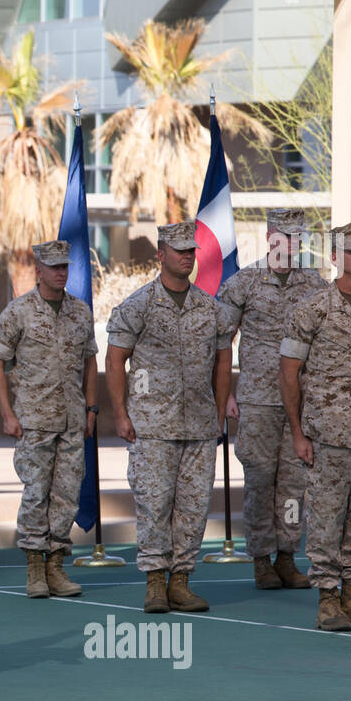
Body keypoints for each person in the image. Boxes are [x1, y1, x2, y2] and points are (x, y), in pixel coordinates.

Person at [106, 221, 231, 613]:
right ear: (160, 255)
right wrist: (121, 414)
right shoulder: (138, 305)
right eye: (179, 251)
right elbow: (115, 360)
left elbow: (223, 361)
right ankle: (155, 583)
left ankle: (181, 581)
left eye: (191, 251)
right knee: (154, 503)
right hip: (152, 426)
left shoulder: (210, 309)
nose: (187, 257)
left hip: (198, 425)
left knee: (193, 507)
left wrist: (219, 413)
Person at [278, 221, 351, 631]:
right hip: (327, 433)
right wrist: (297, 432)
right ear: (334, 258)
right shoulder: (312, 309)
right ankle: (328, 598)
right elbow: (289, 371)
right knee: (327, 515)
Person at [217, 208, 327, 590]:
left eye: (297, 238)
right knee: (260, 482)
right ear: (269, 237)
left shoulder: (314, 285)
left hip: (301, 402)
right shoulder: (243, 283)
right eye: (283, 236)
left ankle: (286, 555)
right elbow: (220, 344)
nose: (290, 244)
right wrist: (227, 393)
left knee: (295, 484)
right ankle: (261, 559)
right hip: (258, 400)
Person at [0, 239, 97, 598]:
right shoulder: (18, 312)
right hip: (33, 419)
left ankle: (56, 567)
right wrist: (7, 413)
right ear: (38, 270)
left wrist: (91, 408)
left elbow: (90, 360)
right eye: (53, 267)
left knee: (66, 495)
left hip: (71, 419)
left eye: (65, 266)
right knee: (36, 494)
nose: (61, 272)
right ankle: (35, 567)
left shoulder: (80, 312)